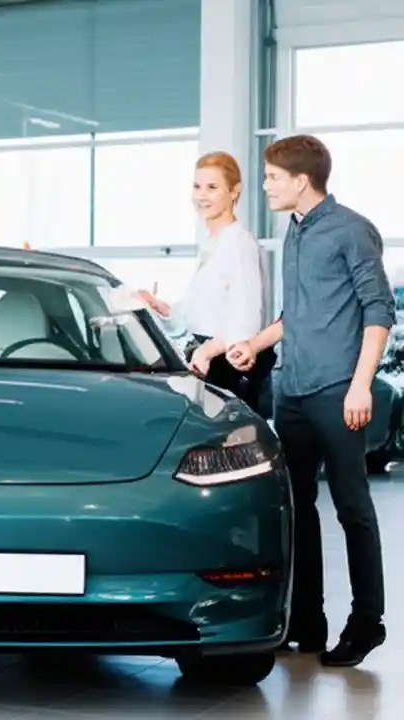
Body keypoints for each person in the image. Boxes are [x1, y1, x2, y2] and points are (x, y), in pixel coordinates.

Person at [226, 134, 392, 667]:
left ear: (301, 180)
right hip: (291, 391)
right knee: (298, 510)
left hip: (338, 392)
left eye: (273, 177)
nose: (267, 185)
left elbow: (378, 310)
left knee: (352, 509)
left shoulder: (351, 230)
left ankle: (367, 623)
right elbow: (296, 314)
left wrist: (362, 385)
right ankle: (307, 621)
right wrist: (254, 343)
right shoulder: (293, 232)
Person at [134, 151, 272, 413]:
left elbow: (246, 323)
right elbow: (200, 313)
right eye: (197, 187)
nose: (201, 195)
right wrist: (162, 308)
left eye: (212, 187)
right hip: (208, 357)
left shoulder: (239, 244)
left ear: (234, 191)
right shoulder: (213, 243)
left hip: (226, 365)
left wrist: (207, 352)